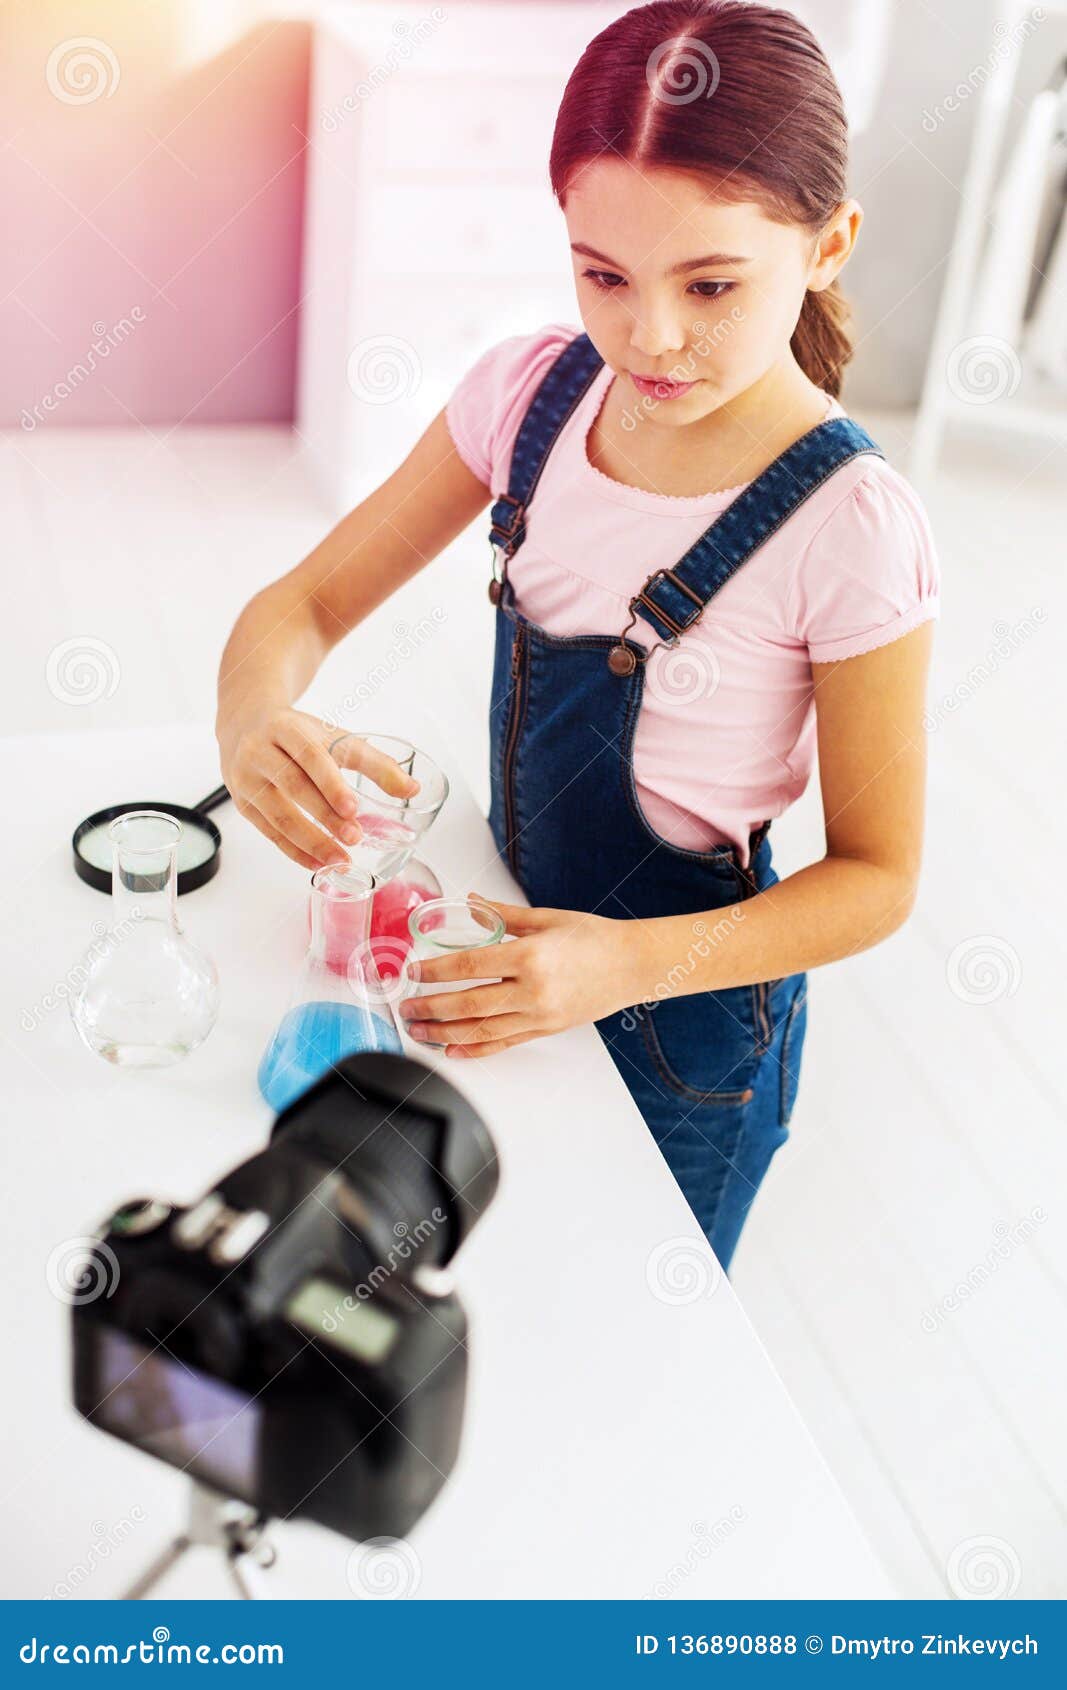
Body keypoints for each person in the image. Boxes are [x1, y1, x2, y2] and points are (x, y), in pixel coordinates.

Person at [216, 1, 939, 1273]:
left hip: (684, 1032)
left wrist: (623, 965)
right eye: (601, 273)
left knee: (627, 1346)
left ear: (828, 245)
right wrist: (251, 717)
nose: (648, 337)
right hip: (502, 956)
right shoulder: (530, 396)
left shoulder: (850, 523)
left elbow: (876, 879)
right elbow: (301, 608)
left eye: (710, 284)